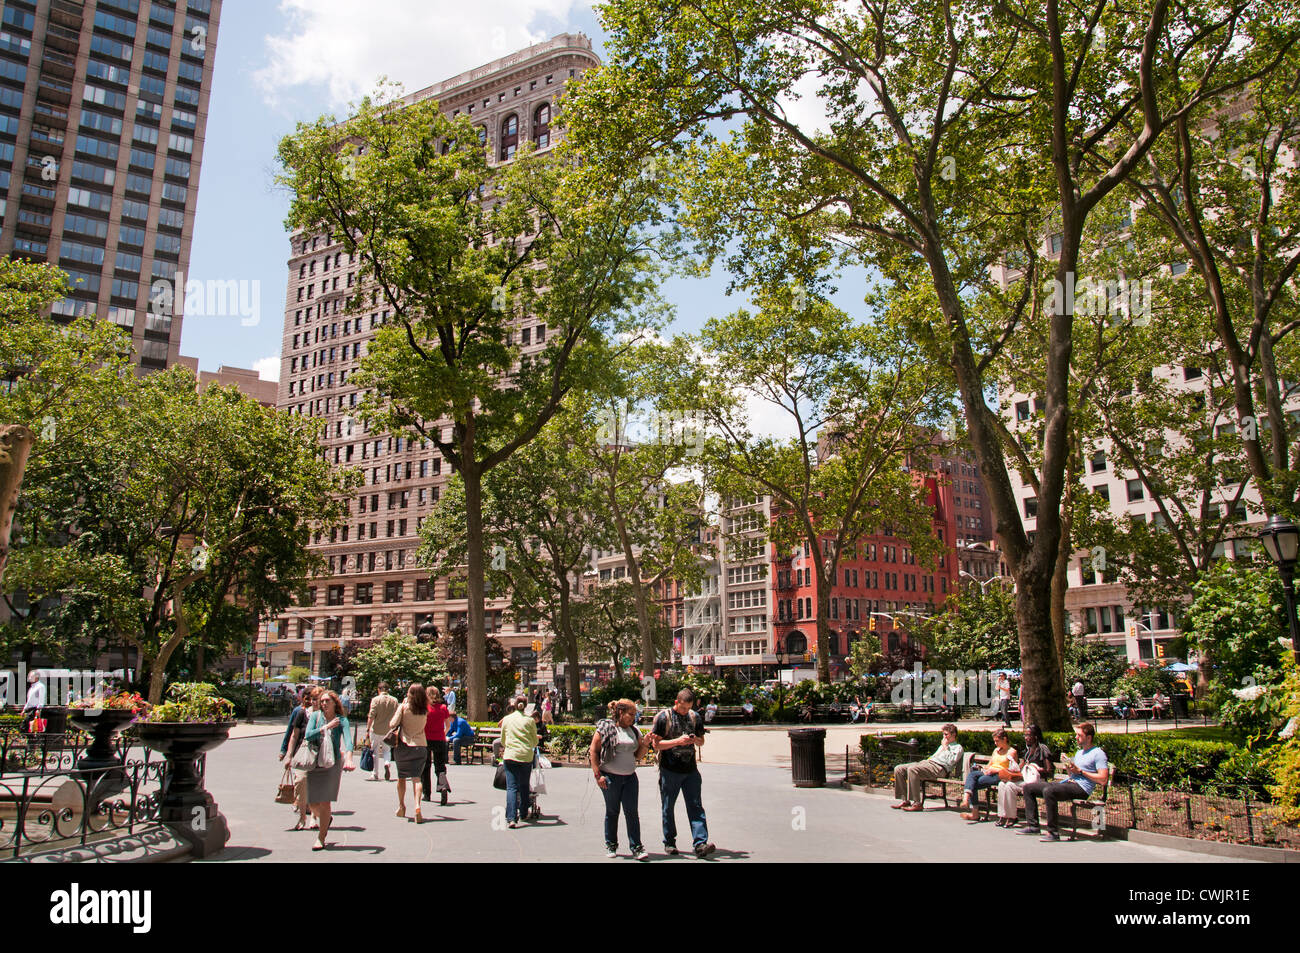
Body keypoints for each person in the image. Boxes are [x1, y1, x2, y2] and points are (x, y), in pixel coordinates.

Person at [649, 689, 715, 858]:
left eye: (689, 708)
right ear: (676, 702)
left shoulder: (694, 717)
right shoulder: (664, 718)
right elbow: (656, 745)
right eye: (684, 708)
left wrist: (695, 740)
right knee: (668, 806)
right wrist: (678, 741)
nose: (686, 712)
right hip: (670, 769)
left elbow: (701, 741)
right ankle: (670, 842)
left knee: (695, 805)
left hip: (690, 769)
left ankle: (700, 843)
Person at [1019, 722, 1109, 841]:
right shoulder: (1079, 753)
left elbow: (1103, 779)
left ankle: (1053, 832)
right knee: (1028, 788)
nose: (1076, 737)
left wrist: (1081, 772)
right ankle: (1033, 826)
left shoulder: (1098, 754)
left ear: (1089, 737)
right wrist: (1069, 767)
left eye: (1079, 735)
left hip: (1082, 788)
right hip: (1070, 783)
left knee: (1049, 791)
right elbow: (1073, 774)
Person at [590, 698, 651, 860]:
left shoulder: (634, 731)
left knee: (632, 812)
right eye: (630, 714)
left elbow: (638, 756)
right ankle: (611, 844)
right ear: (620, 712)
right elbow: (594, 751)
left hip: (630, 778)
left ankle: (636, 847)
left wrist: (645, 745)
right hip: (610, 777)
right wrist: (598, 775)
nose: (633, 717)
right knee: (612, 811)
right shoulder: (605, 728)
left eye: (634, 714)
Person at [303, 690, 354, 850]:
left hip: (332, 764)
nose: (323, 703)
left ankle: (321, 837)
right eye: (322, 701)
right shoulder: (315, 717)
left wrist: (349, 758)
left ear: (334, 703)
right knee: (311, 802)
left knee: (325, 801)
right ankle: (325, 817)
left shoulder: (342, 720)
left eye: (327, 701)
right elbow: (308, 735)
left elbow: (348, 740)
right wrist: (325, 727)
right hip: (315, 762)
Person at [891, 724, 964, 811]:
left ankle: (917, 803)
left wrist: (945, 747)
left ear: (954, 734)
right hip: (928, 763)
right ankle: (905, 800)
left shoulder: (957, 748)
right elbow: (934, 757)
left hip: (939, 768)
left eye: (946, 734)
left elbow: (951, 761)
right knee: (899, 768)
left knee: (912, 770)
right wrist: (924, 762)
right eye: (943, 734)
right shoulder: (943, 745)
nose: (944, 737)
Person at [996, 724, 1054, 828]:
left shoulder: (1042, 749)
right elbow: (1021, 767)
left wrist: (1039, 770)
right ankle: (1003, 815)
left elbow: (1050, 771)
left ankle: (1012, 817)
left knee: (1010, 786)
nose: (1026, 737)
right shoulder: (1028, 750)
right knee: (1001, 784)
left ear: (1035, 736)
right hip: (1026, 779)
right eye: (1025, 735)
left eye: (1028, 735)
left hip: (1038, 780)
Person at [389, 683, 430, 822]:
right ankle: (417, 806)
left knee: (401, 778)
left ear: (410, 694)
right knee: (417, 778)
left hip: (404, 745)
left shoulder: (404, 708)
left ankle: (401, 806)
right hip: (420, 745)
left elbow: (392, 724)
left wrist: (401, 707)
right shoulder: (425, 710)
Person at [280, 686, 319, 830]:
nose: (313, 702)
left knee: (315, 786)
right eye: (312, 699)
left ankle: (313, 817)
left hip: (318, 755)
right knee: (301, 783)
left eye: (316, 699)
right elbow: (293, 735)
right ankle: (302, 816)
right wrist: (288, 754)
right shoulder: (301, 713)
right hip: (301, 754)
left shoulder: (325, 715)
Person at [960, 727, 1017, 821]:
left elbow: (1013, 769)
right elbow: (990, 764)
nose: (995, 743)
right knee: (972, 775)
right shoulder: (996, 750)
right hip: (989, 773)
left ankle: (974, 812)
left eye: (997, 741)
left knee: (973, 783)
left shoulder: (1012, 752)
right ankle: (966, 799)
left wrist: (995, 770)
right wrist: (985, 769)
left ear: (1005, 739)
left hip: (1000, 775)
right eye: (994, 741)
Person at [500, 695, 538, 829]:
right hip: (526, 756)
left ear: (515, 705)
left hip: (510, 755)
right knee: (524, 785)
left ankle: (511, 818)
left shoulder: (507, 719)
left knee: (511, 787)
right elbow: (535, 740)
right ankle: (523, 812)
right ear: (526, 706)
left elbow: (503, 739)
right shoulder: (530, 721)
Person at [421, 686, 452, 805]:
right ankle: (443, 786)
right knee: (440, 766)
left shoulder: (425, 708)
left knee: (426, 766)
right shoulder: (443, 708)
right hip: (439, 739)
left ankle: (426, 794)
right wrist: (443, 734)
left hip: (426, 739)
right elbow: (448, 725)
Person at [366, 681, 399, 781]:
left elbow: (371, 716)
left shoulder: (376, 700)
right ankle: (387, 763)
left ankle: (375, 773)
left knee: (375, 751)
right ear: (388, 690)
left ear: (378, 689)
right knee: (387, 750)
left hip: (376, 729)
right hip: (388, 730)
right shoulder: (394, 700)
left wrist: (368, 729)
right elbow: (397, 715)